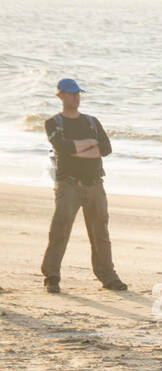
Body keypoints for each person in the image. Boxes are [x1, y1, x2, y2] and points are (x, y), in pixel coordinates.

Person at [40, 78, 127, 294]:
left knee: (101, 233)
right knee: (60, 230)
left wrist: (78, 150)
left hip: (95, 184)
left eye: (78, 93)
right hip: (68, 185)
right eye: (71, 94)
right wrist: (90, 143)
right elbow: (63, 147)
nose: (76, 97)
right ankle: (51, 276)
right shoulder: (53, 122)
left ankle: (108, 276)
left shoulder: (92, 121)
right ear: (60, 95)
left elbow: (106, 148)